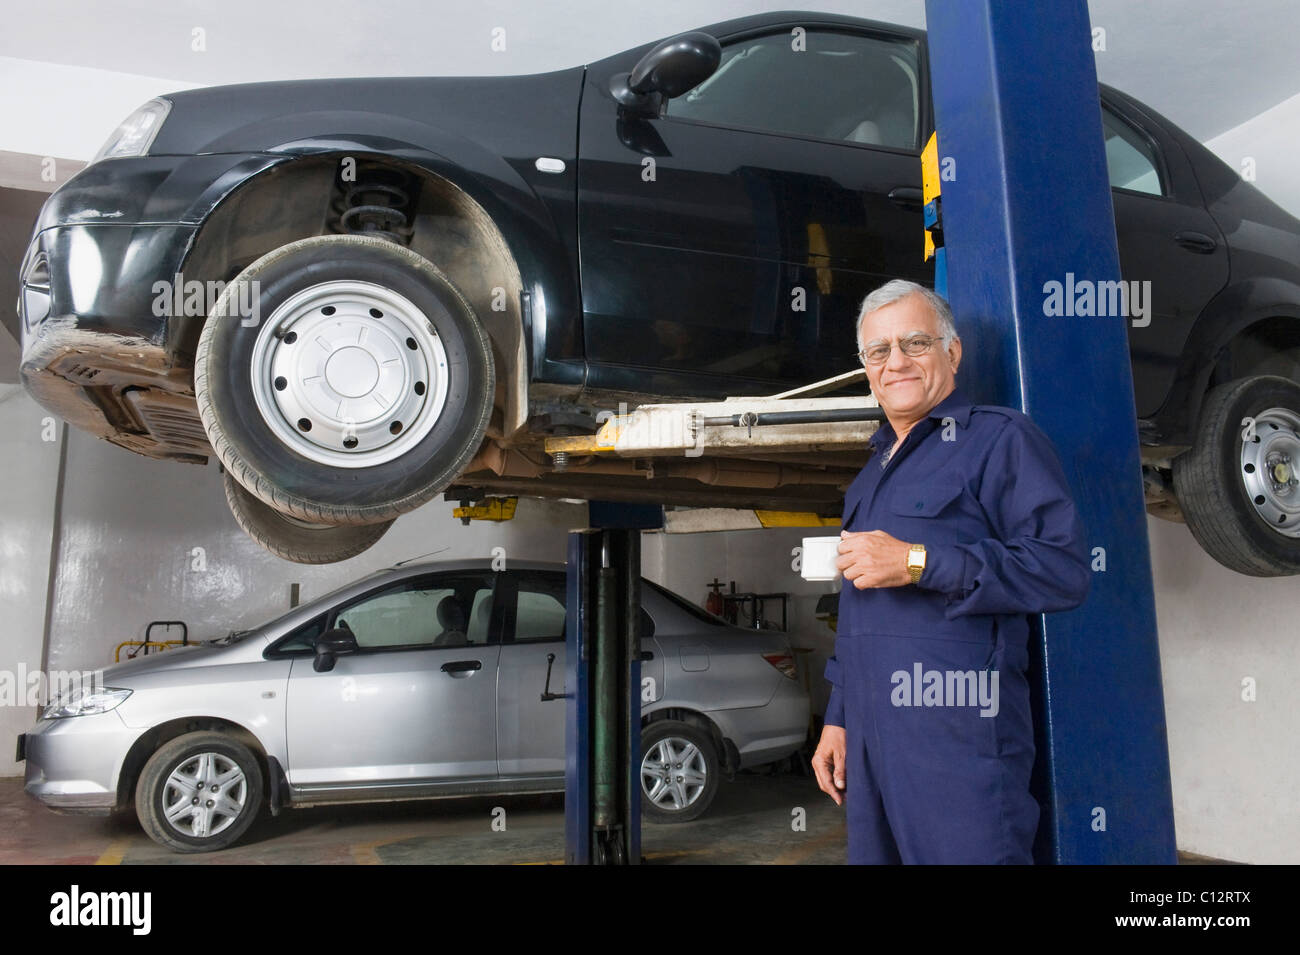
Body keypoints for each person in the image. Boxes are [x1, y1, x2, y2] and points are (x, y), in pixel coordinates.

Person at [811, 279, 1091, 864]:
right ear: (865, 367)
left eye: (914, 343)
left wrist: (917, 562)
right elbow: (858, 606)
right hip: (871, 744)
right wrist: (838, 719)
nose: (896, 363)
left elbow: (1062, 570)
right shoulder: (871, 472)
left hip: (958, 739)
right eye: (878, 351)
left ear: (953, 352)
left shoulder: (999, 439)